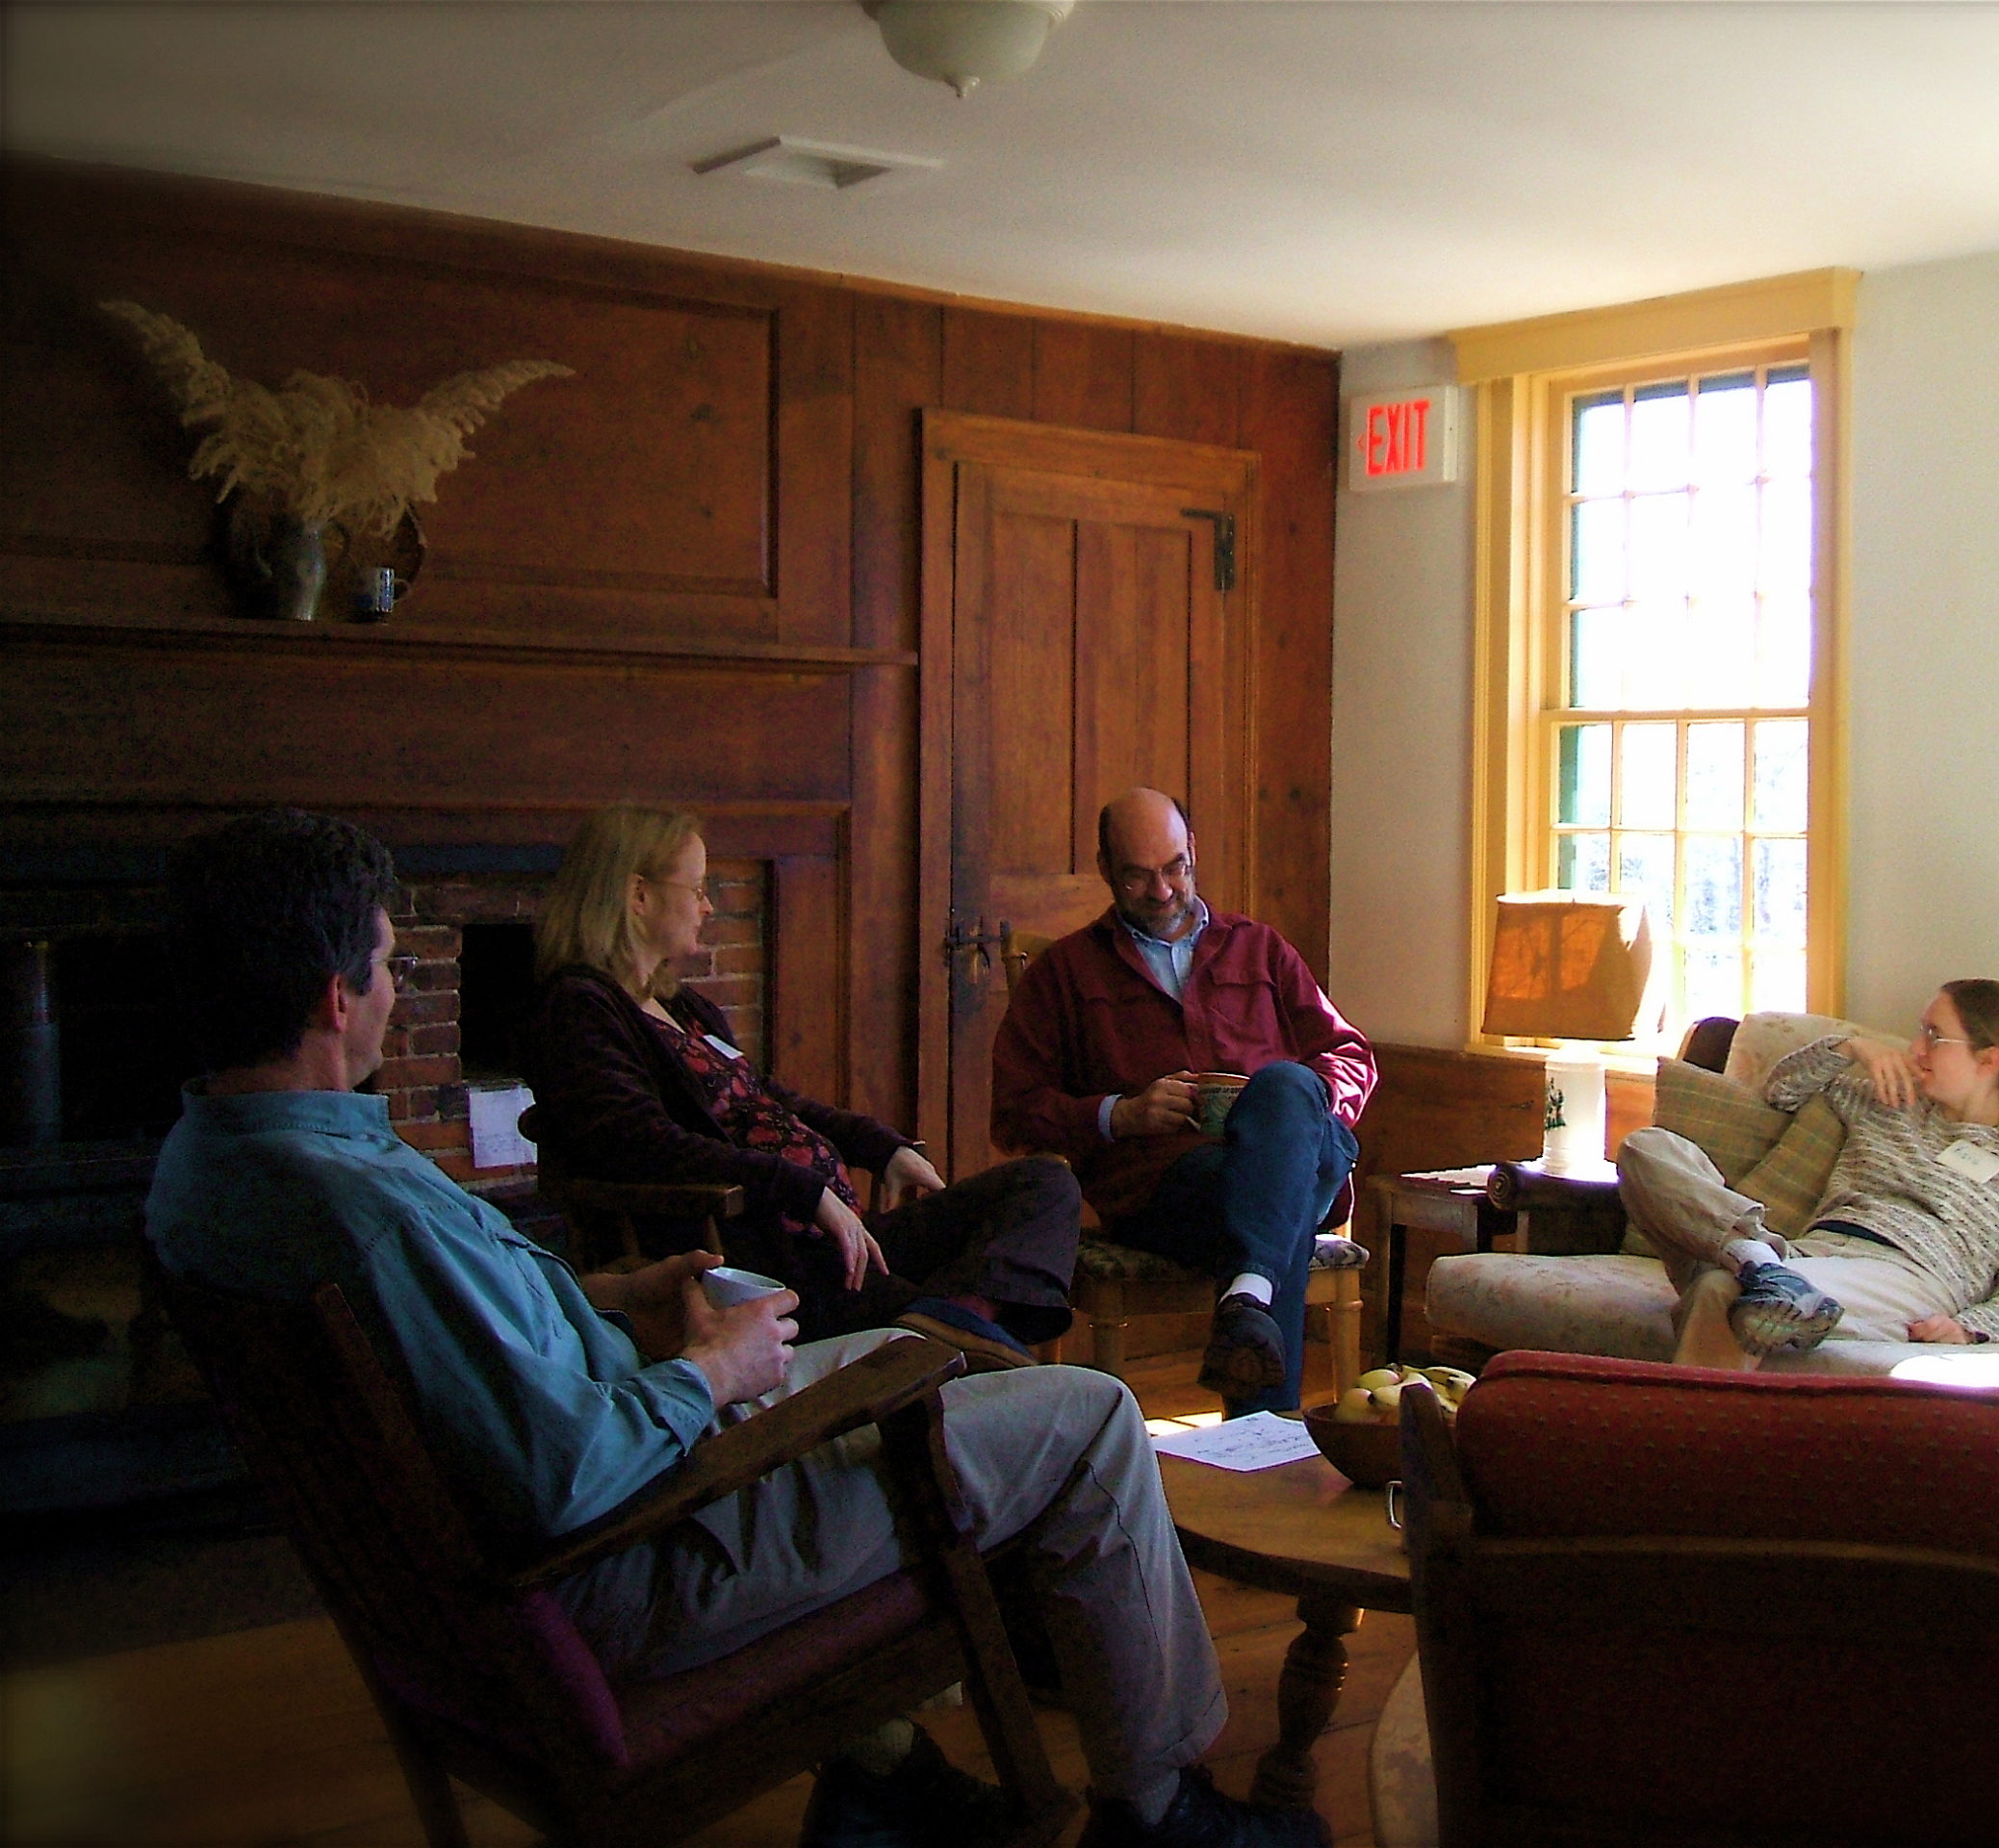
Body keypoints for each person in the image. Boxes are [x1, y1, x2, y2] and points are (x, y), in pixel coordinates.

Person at [142, 809, 1328, 1848]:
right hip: (649, 1542)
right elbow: (569, 1472)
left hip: (619, 1467)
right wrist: (707, 1376)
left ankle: (888, 1768)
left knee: (948, 1353)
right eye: (392, 967)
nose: (400, 994)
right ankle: (1161, 1808)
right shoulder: (376, 1212)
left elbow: (479, 1339)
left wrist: (613, 1301)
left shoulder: (217, 1174)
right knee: (1092, 1415)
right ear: (334, 997)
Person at [519, 806, 1079, 1374]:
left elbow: (771, 1101)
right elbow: (642, 1142)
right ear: (637, 895)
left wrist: (879, 1146)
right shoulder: (581, 1009)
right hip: (763, 1264)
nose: (708, 905)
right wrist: (801, 1189)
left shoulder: (684, 1007)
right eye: (697, 888)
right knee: (1015, 1367)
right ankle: (948, 1333)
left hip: (833, 1242)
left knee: (1044, 1183)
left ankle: (950, 1323)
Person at [992, 788, 1374, 1413]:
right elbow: (1014, 1111)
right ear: (1105, 870)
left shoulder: (1260, 948)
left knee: (1283, 1088)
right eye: (1139, 877)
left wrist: (1293, 1117)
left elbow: (1349, 1056)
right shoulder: (1064, 974)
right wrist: (1121, 1113)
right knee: (1287, 1203)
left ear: (1192, 852)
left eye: (1175, 868)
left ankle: (1248, 1332)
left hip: (1283, 1158)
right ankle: (1262, 1394)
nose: (1163, 890)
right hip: (1166, 1191)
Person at [1619, 980, 1999, 1369]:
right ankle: (1758, 1262)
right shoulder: (1886, 1100)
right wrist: (1849, 1047)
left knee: (1720, 1289)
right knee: (1646, 1147)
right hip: (1802, 1253)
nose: (1917, 1049)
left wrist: (1972, 1328)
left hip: (1907, 1274)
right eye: (1921, 1032)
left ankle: (1757, 1273)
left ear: (1989, 1060)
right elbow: (1780, 1092)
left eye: (1936, 1036)